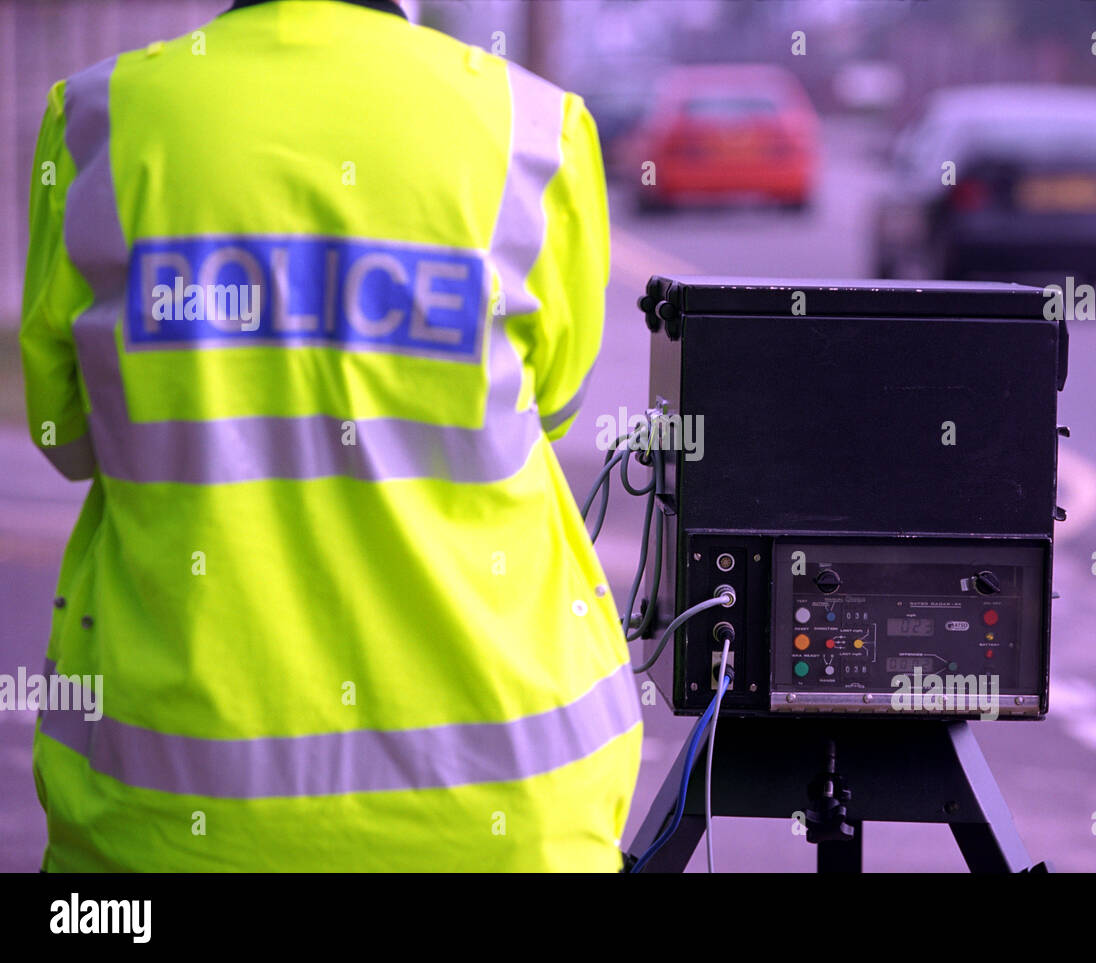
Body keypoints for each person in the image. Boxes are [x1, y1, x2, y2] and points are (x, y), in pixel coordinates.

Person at [20, 0, 641, 871]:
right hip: (508, 819)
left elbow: (64, 431)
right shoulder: (534, 128)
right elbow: (556, 403)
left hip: (161, 826)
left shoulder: (98, 119)